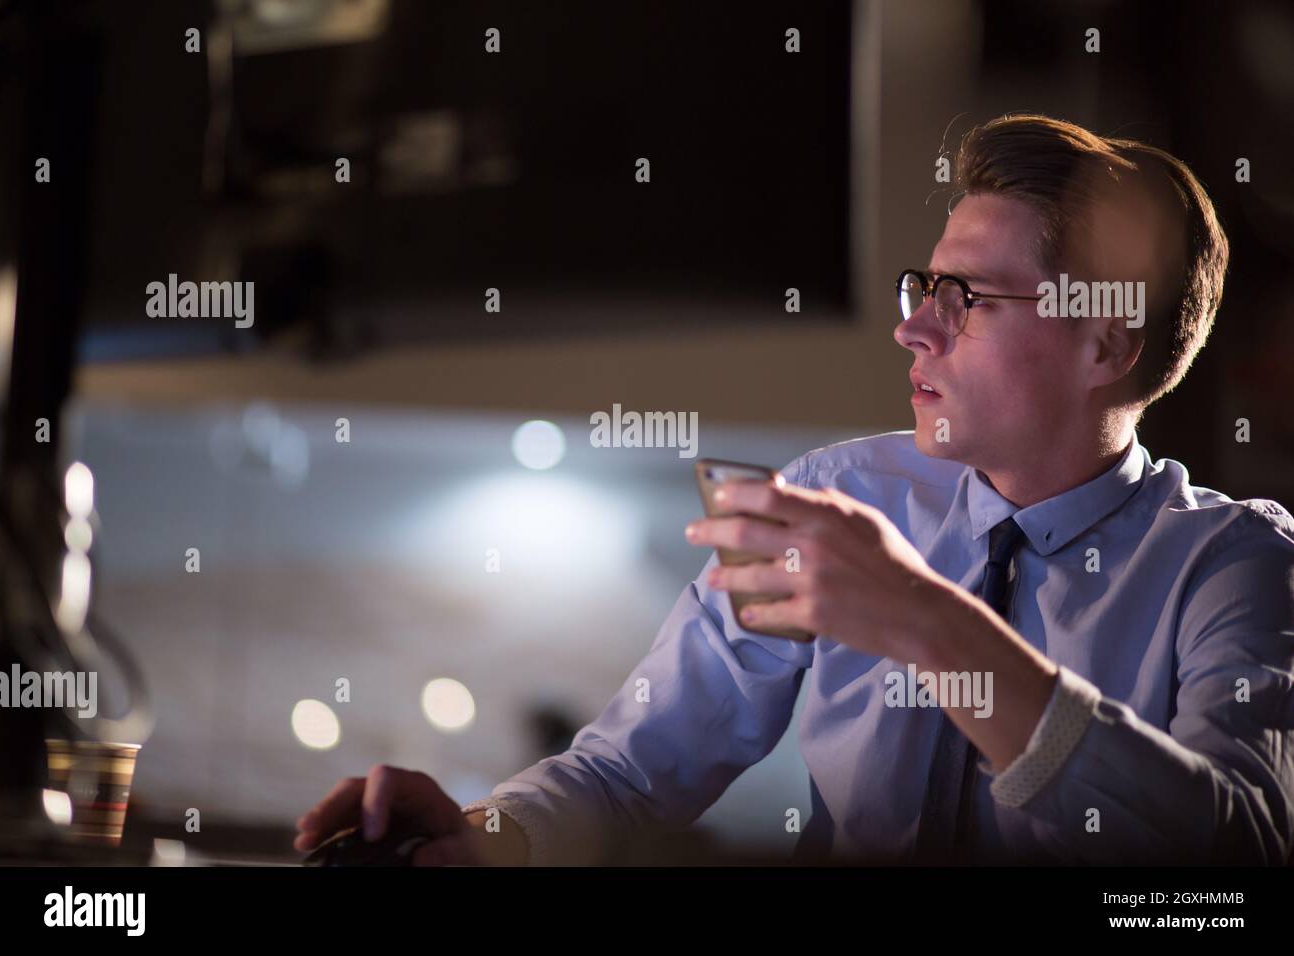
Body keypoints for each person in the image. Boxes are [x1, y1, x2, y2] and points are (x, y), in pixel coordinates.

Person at [294, 114, 1294, 866]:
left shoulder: (1237, 562)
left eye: (968, 300)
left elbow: (1237, 850)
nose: (914, 330)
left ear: (1106, 341)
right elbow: (633, 767)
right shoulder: (839, 492)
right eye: (924, 287)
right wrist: (484, 839)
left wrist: (921, 618)